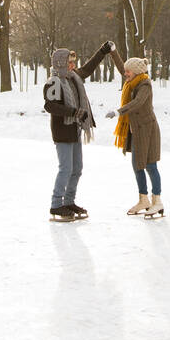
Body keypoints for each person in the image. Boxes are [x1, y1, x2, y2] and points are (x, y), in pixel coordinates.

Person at [42, 41, 114, 222]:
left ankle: (69, 201)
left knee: (77, 168)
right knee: (66, 169)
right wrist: (74, 112)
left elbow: (89, 68)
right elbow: (50, 106)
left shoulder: (73, 77)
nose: (73, 65)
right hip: (62, 131)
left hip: (75, 130)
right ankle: (56, 204)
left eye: (73, 62)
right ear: (60, 63)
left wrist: (103, 50)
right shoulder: (53, 82)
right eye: (69, 62)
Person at [110, 47, 164, 219]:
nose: (125, 74)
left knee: (150, 165)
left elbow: (138, 102)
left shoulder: (145, 84)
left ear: (134, 72)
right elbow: (122, 67)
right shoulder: (131, 81)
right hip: (136, 131)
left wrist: (119, 111)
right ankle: (143, 199)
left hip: (148, 130)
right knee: (137, 165)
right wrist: (113, 51)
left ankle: (157, 201)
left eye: (127, 72)